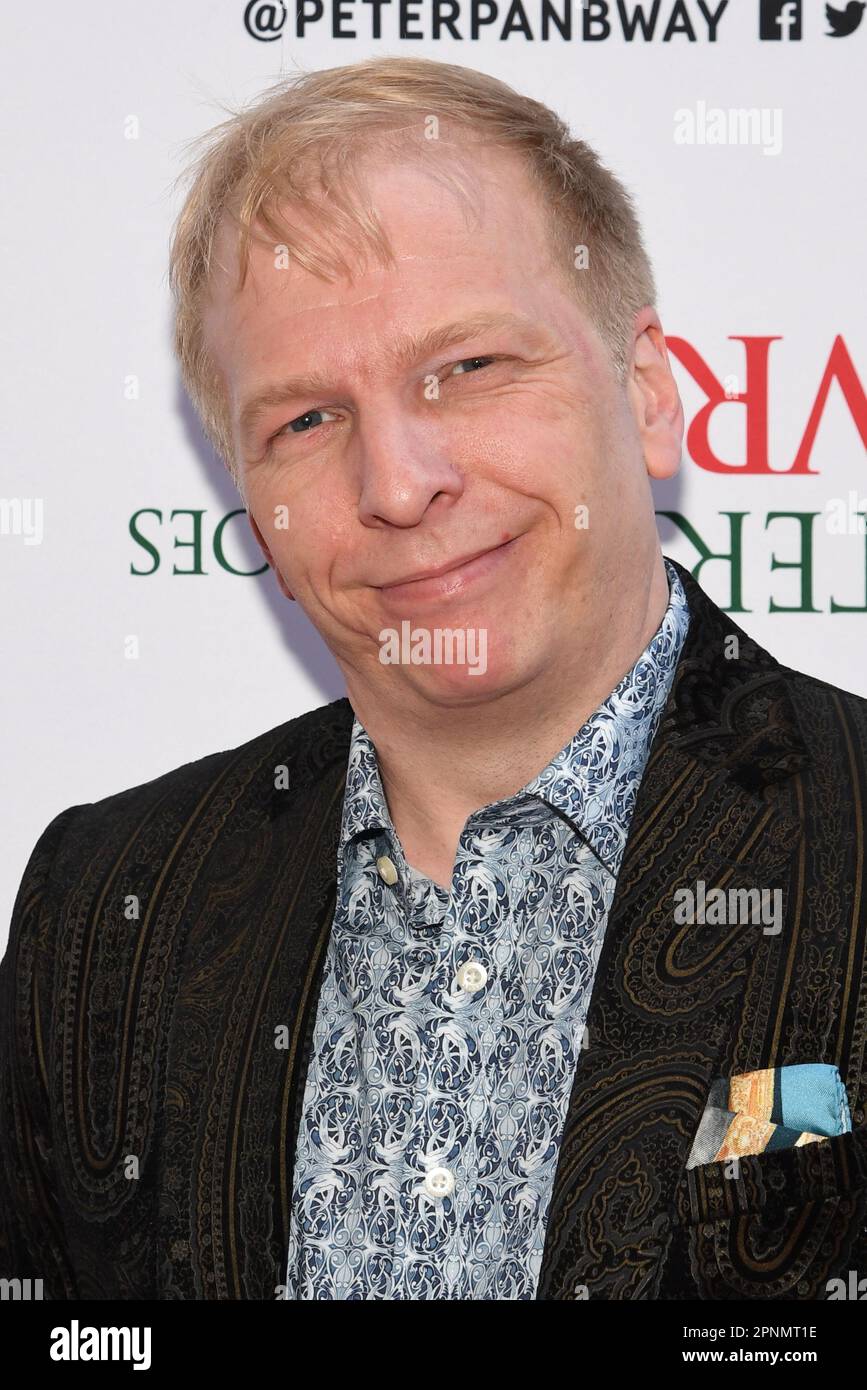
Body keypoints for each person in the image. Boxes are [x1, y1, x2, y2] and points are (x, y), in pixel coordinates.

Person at [2, 56, 865, 1302]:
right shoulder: (105, 910)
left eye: (466, 368)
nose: (398, 484)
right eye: (304, 420)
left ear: (648, 393)